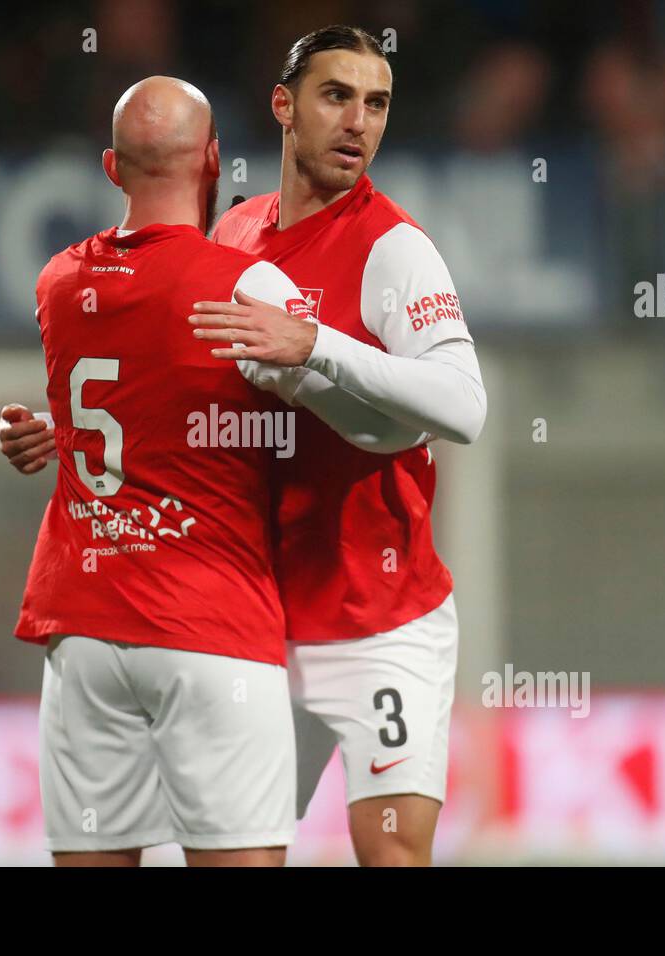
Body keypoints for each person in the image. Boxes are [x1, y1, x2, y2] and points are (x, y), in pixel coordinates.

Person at [190, 25, 488, 867]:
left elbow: (464, 406)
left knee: (390, 855)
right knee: (229, 856)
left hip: (379, 622)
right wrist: (65, 443)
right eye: (336, 96)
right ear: (283, 106)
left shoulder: (395, 250)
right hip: (255, 618)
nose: (358, 121)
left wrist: (314, 343)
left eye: (377, 103)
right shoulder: (234, 236)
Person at [15, 75, 312, 867]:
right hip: (209, 627)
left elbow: (136, 398)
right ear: (215, 160)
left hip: (83, 625)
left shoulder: (59, 283)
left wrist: (55, 433)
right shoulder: (249, 288)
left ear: (113, 168)